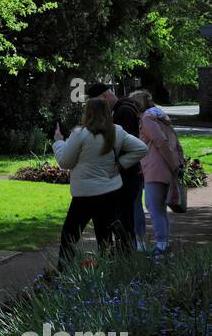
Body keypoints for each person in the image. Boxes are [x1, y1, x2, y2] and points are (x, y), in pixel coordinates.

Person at [52, 97, 147, 267]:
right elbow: (141, 148)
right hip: (110, 192)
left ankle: (63, 271)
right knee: (104, 235)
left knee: (70, 234)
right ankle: (107, 272)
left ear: (88, 113)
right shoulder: (117, 131)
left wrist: (58, 142)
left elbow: (65, 162)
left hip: (85, 194)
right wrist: (121, 164)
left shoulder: (80, 134)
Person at [87, 83, 145, 250]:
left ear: (104, 96)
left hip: (126, 176)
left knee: (123, 221)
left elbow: (128, 146)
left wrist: (118, 164)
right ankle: (126, 256)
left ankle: (126, 259)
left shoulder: (123, 111)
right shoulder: (123, 109)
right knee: (123, 219)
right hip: (128, 174)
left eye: (97, 103)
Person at [129, 90, 185, 255]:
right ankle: (164, 242)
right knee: (159, 208)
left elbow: (161, 142)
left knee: (154, 208)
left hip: (155, 168)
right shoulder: (163, 118)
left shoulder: (147, 119)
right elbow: (176, 142)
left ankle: (161, 245)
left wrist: (173, 164)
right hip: (166, 168)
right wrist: (177, 163)